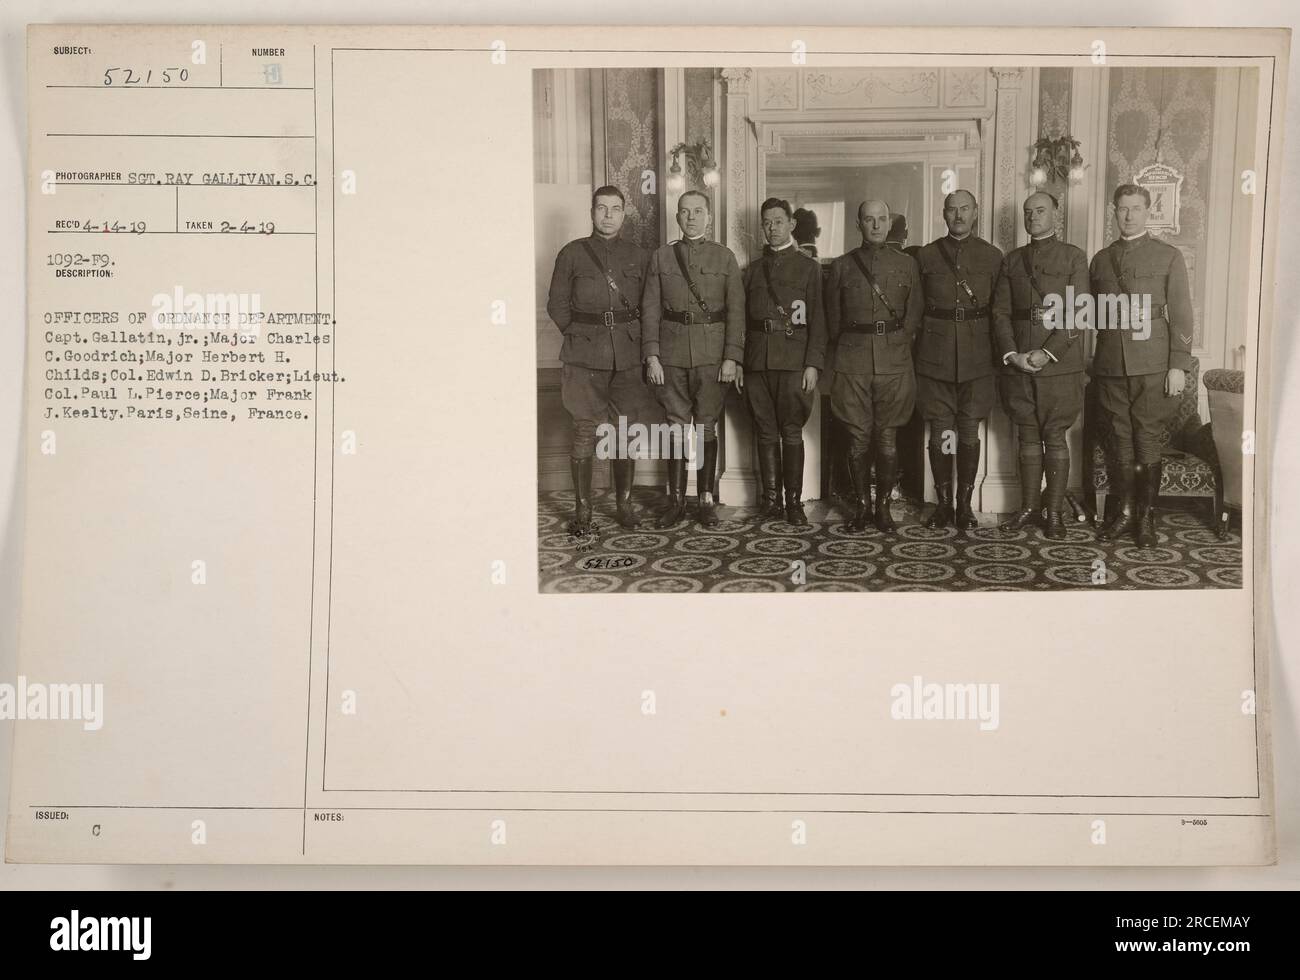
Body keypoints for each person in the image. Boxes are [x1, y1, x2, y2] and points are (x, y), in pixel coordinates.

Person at [1089, 183, 1193, 547]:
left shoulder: (1167, 256)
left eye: (1136, 208)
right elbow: (1095, 314)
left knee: (1146, 441)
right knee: (1119, 441)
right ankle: (1125, 514)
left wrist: (1178, 364)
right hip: (1110, 363)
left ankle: (1146, 519)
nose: (1129, 215)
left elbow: (1181, 313)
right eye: (1122, 209)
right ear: (1113, 212)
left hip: (1153, 361)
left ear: (1148, 212)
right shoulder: (1101, 259)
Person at [545, 185, 651, 534]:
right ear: (592, 213)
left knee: (625, 432)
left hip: (628, 356)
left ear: (624, 213)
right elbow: (557, 305)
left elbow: (648, 307)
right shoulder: (572, 254)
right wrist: (579, 337)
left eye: (615, 209)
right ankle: (583, 510)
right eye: (601, 208)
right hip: (584, 357)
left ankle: (624, 504)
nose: (608, 215)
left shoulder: (639, 255)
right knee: (584, 431)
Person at [641, 190, 745, 528]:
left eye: (698, 211)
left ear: (709, 217)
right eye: (685, 212)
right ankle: (675, 501)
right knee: (675, 427)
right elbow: (651, 309)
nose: (691, 217)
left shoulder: (725, 258)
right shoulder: (661, 257)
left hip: (712, 356)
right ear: (677, 217)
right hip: (670, 356)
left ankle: (705, 500)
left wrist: (732, 357)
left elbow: (737, 313)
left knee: (705, 427)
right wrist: (652, 355)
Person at [991, 192, 1089, 539]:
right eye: (1028, 212)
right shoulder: (1011, 260)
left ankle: (1054, 514)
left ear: (1055, 215)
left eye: (1041, 211)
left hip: (1059, 366)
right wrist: (1012, 354)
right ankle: (1030, 508)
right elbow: (1000, 313)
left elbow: (1078, 313)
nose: (1033, 217)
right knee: (1028, 435)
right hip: (1018, 362)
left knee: (1054, 435)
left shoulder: (1074, 257)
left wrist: (1047, 353)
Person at [825, 199, 923, 532]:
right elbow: (832, 318)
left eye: (882, 219)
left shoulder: (907, 265)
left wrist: (895, 343)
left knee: (887, 438)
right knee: (857, 439)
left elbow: (913, 316)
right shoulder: (841, 266)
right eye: (869, 220)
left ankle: (883, 507)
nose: (877, 225)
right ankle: (862, 508)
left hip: (894, 361)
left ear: (889, 223)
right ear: (859, 224)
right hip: (851, 362)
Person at [914, 190, 1004, 530]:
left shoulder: (992, 257)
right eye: (952, 210)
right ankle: (944, 505)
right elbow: (916, 310)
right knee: (940, 432)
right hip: (934, 356)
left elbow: (1000, 311)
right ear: (943, 214)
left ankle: (964, 506)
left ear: (976, 211)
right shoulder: (926, 256)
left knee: (967, 431)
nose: (959, 215)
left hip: (978, 355)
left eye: (965, 209)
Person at [742, 198, 828, 524]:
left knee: (791, 431)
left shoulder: (809, 268)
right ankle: (771, 502)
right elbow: (741, 321)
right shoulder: (752, 271)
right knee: (765, 432)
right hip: (757, 362)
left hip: (794, 361)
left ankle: (794, 503)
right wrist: (739, 361)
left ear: (791, 225)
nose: (772, 228)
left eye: (778, 221)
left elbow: (819, 321)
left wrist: (813, 365)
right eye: (766, 222)